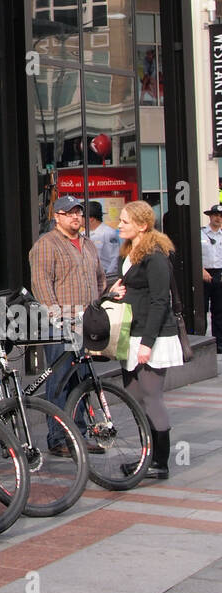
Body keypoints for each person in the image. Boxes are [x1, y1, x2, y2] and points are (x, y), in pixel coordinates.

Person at [109, 200, 184, 480]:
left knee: (152, 398)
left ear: (142, 225)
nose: (119, 225)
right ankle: (147, 457)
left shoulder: (155, 254)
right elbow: (133, 292)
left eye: (125, 221)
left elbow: (159, 300)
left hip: (150, 336)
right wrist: (113, 292)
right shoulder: (128, 253)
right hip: (132, 332)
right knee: (136, 398)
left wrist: (147, 343)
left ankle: (160, 463)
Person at [28, 195, 106, 456]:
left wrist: (96, 307)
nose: (75, 217)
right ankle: (58, 438)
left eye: (78, 212)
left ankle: (79, 435)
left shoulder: (87, 244)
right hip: (60, 325)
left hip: (86, 322)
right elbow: (41, 285)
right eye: (69, 213)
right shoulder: (46, 244)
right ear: (57, 217)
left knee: (82, 381)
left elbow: (99, 278)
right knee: (60, 382)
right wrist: (57, 317)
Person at [201, 204, 222, 353]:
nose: (218, 218)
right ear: (210, 216)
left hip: (219, 274)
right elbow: (194, 254)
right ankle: (200, 341)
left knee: (219, 311)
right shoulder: (201, 233)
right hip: (203, 274)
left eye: (220, 216)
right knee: (201, 310)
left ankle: (219, 344)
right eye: (215, 215)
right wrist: (200, 270)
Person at [87, 201, 122, 282]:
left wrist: (108, 278)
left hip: (106, 277)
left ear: (91, 218)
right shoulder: (83, 234)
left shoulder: (108, 233)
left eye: (81, 216)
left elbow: (115, 258)